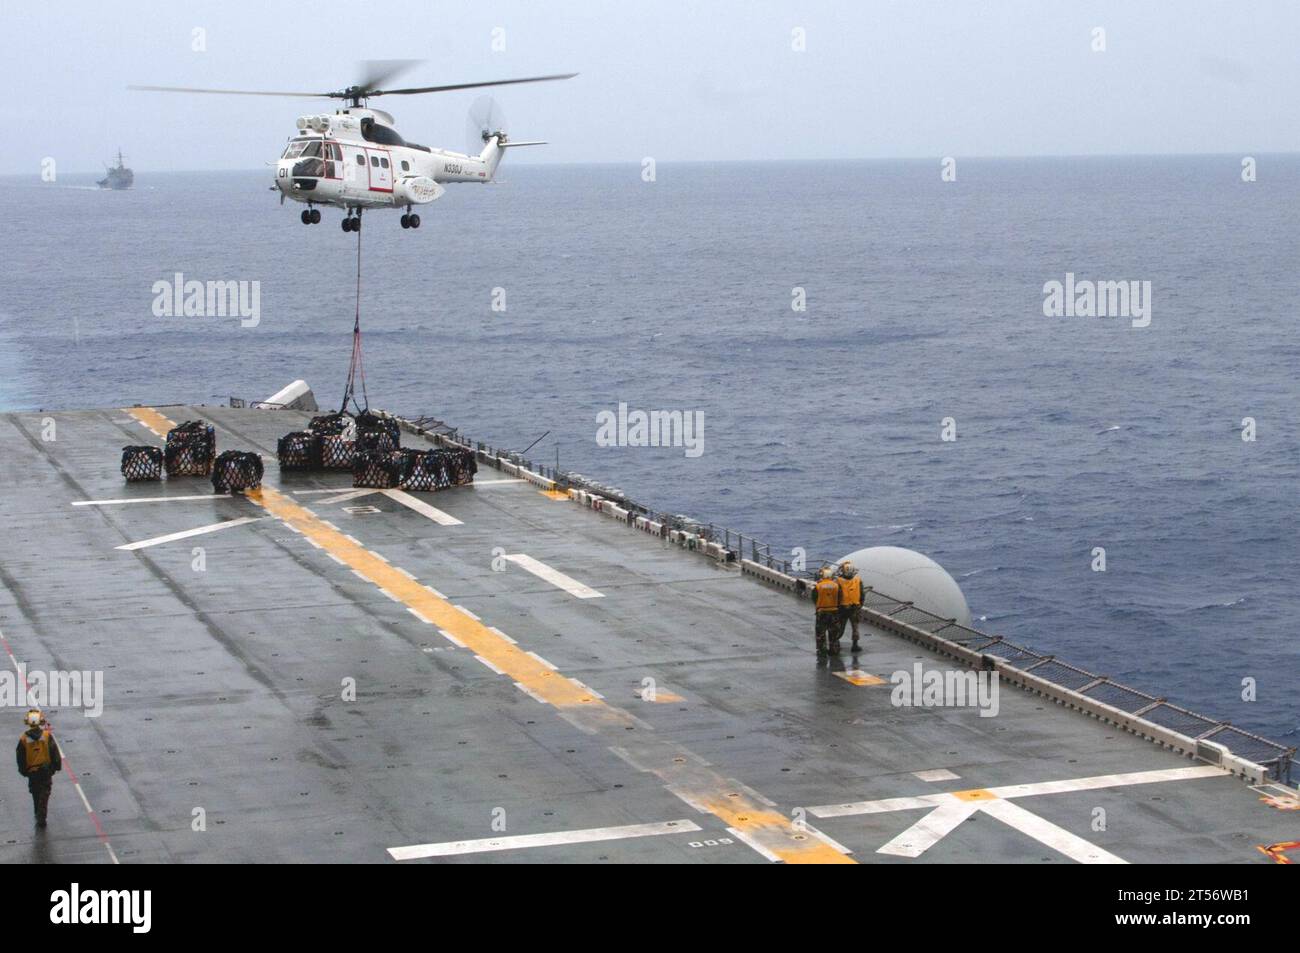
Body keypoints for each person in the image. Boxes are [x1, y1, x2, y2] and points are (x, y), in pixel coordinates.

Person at [15, 709, 61, 829]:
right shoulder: (46, 736)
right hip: (45, 771)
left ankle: (38, 813)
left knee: (35, 794)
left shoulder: (23, 739)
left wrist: (24, 772)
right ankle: (41, 816)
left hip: (32, 773)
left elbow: (20, 758)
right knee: (44, 794)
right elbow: (54, 752)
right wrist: (56, 766)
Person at [813, 566, 842, 657]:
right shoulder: (836, 586)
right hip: (834, 611)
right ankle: (834, 650)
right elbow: (840, 598)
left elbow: (814, 598)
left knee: (821, 632)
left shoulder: (818, 586)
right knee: (834, 632)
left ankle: (822, 651)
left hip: (822, 612)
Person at [837, 561, 865, 652]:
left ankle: (836, 642)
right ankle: (855, 645)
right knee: (855, 627)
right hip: (855, 607)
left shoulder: (838, 581)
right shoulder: (858, 580)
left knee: (840, 627)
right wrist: (860, 604)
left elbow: (837, 595)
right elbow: (862, 594)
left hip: (842, 608)